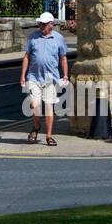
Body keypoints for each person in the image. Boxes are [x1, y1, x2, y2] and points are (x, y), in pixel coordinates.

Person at [20, 11, 69, 146]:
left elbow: (63, 58)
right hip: (34, 77)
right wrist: (22, 76)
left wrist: (65, 75)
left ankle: (48, 136)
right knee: (35, 105)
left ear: (51, 24)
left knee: (49, 108)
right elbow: (27, 56)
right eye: (40, 23)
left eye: (44, 24)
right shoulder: (33, 37)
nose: (41, 26)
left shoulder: (58, 38)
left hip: (50, 79)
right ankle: (36, 127)